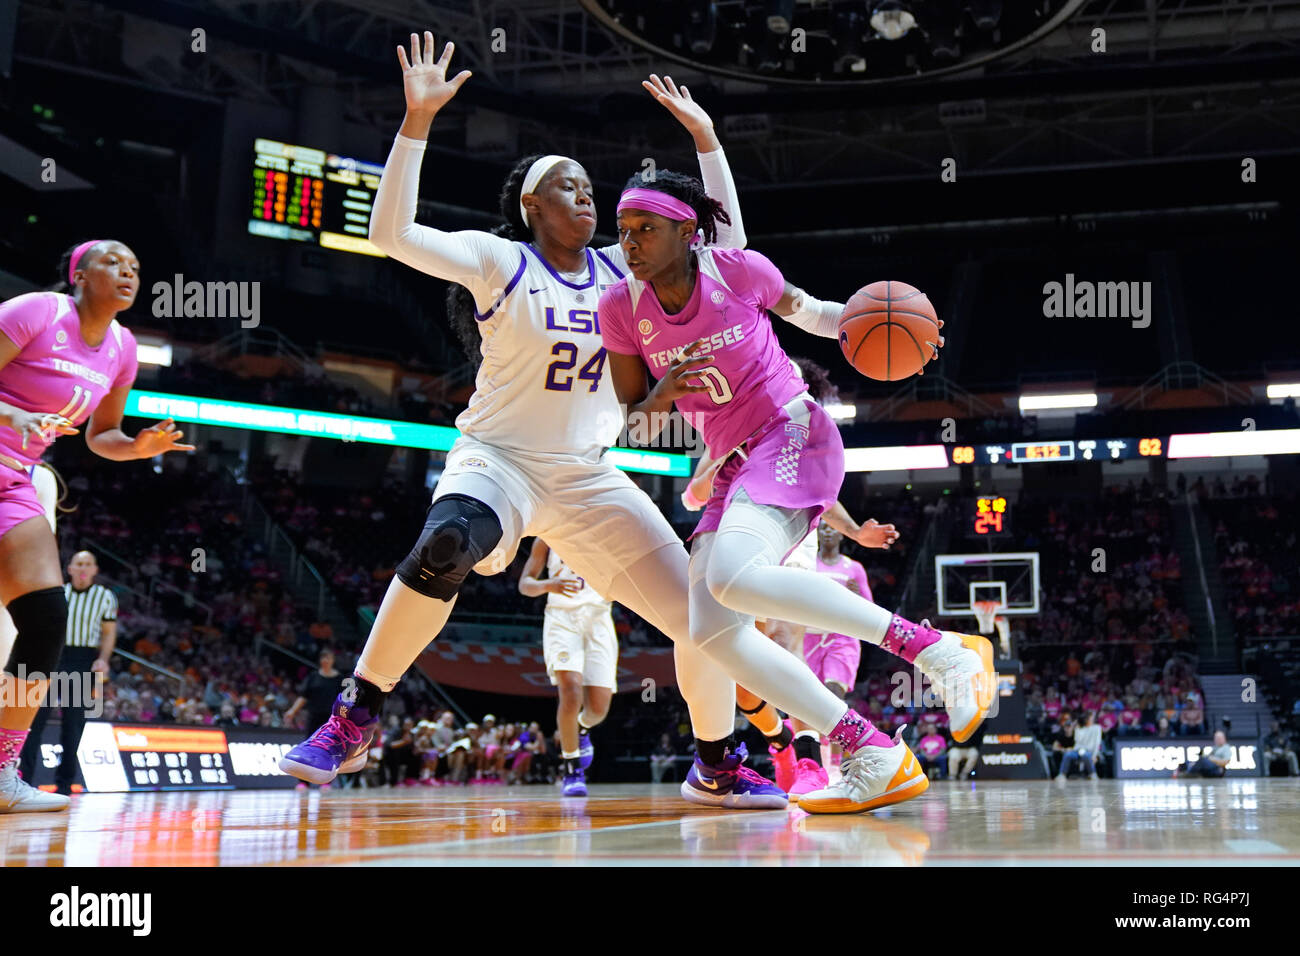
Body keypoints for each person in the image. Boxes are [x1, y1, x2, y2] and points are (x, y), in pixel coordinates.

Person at [279, 32, 793, 809]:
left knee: (704, 613)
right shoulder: (499, 259)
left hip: (588, 476)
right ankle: (356, 716)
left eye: (591, 187)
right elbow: (391, 236)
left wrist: (708, 140)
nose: (587, 195)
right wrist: (416, 121)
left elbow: (732, 251)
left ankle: (717, 762)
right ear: (531, 206)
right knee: (448, 543)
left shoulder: (630, 269)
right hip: (498, 461)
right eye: (568, 185)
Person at [599, 168, 995, 813]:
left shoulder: (736, 271)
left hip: (790, 430)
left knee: (730, 578)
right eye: (625, 232)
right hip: (732, 461)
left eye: (646, 229)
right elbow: (629, 414)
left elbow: (813, 313)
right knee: (709, 633)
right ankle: (872, 751)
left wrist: (897, 332)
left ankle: (939, 650)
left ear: (688, 233)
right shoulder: (621, 307)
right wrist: (663, 395)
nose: (632, 242)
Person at [0, 240, 193, 813]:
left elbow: (100, 435)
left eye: (135, 266)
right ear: (78, 276)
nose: (128, 272)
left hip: (14, 478)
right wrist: (13, 414)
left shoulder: (123, 348)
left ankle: (3, 770)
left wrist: (139, 447)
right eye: (113, 262)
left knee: (44, 620)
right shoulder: (37, 312)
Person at [518, 537, 617, 796]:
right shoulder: (546, 536)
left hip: (598, 617)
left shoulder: (606, 530)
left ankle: (582, 728)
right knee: (570, 690)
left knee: (597, 710)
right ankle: (572, 769)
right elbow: (525, 584)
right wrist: (550, 584)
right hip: (562, 619)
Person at [17, 549, 119, 794]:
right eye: (78, 563)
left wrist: (103, 659)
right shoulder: (59, 593)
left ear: (95, 570)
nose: (83, 568)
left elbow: (108, 633)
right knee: (35, 722)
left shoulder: (104, 597)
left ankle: (64, 786)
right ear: (70, 568)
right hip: (53, 657)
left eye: (88, 564)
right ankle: (25, 782)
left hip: (82, 661)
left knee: (73, 726)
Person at [1057, 710, 1101, 780]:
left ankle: (1092, 773)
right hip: (1077, 750)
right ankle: (1062, 774)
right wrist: (1076, 728)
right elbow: (1078, 740)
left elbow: (1097, 743)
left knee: (1085, 755)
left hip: (1088, 751)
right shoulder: (1080, 728)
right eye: (1087, 717)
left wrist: (1094, 755)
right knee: (1067, 755)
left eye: (1090, 717)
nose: (1089, 719)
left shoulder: (1097, 728)